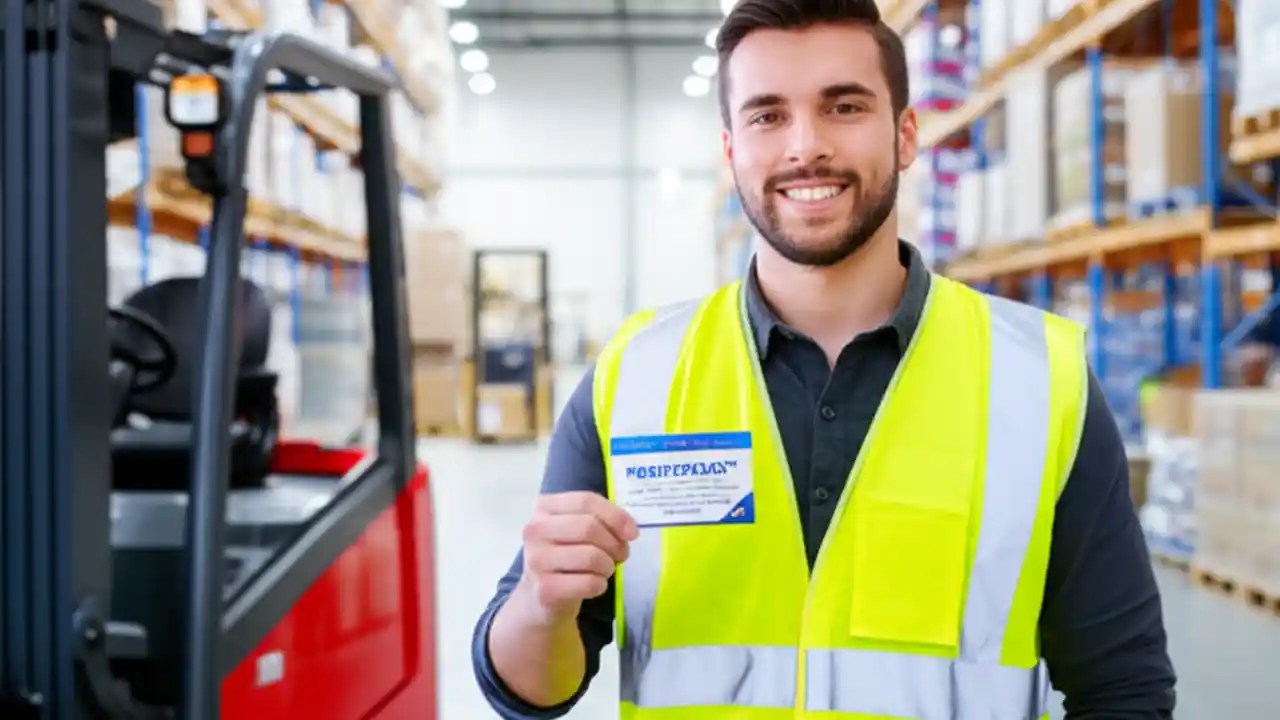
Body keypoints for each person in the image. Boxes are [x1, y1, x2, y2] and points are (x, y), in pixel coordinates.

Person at [472, 0, 1177, 717]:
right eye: (767, 115)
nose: (804, 145)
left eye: (843, 106)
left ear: (905, 135)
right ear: (730, 151)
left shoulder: (1039, 381)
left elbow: (1122, 687)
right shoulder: (634, 379)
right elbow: (531, 689)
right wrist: (540, 603)